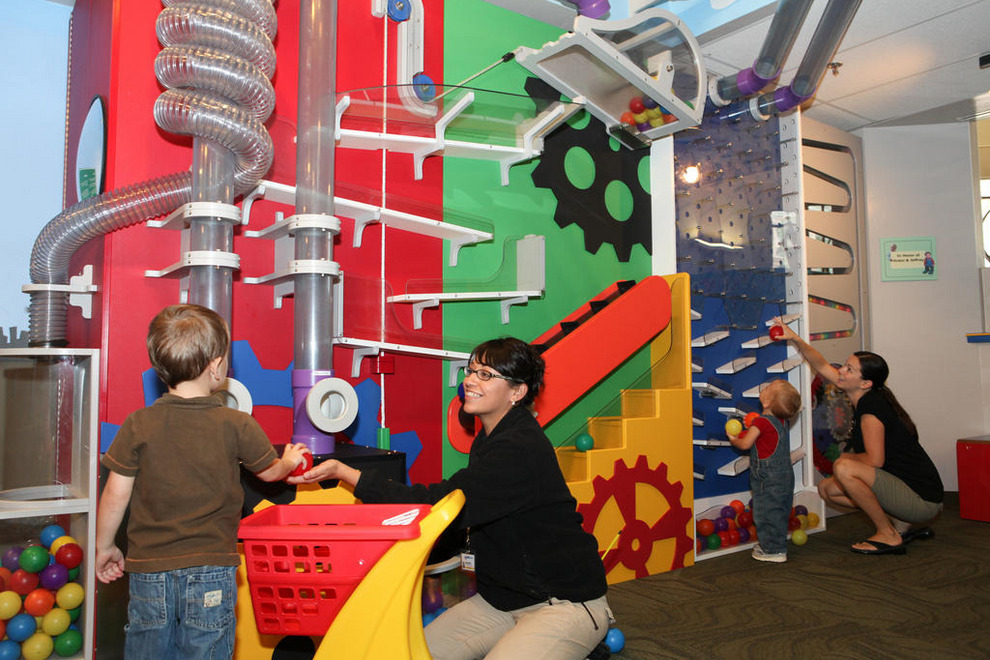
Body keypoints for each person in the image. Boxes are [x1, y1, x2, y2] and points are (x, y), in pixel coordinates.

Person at [290, 337, 611, 660]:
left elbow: (440, 503)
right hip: (501, 601)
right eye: (471, 371)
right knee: (409, 654)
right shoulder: (488, 438)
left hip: (563, 603)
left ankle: (580, 644)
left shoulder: (519, 446)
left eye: (486, 375)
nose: (470, 380)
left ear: (517, 391)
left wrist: (349, 474)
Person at [95, 304, 311, 659]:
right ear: (216, 367)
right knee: (205, 649)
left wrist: (105, 547)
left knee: (147, 650)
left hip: (150, 570)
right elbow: (271, 472)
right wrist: (288, 460)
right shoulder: (236, 423)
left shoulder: (137, 424)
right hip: (212, 568)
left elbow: (115, 494)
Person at [771, 320, 943, 555]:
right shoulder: (865, 395)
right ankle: (900, 523)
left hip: (923, 501)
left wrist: (843, 462)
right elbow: (821, 365)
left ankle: (887, 534)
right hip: (908, 492)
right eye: (845, 365)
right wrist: (795, 338)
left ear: (865, 383)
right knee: (827, 490)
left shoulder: (871, 410)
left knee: (843, 466)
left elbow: (875, 461)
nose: (841, 370)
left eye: (849, 369)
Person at [727, 379, 801, 563]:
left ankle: (773, 550)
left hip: (767, 477)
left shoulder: (761, 422)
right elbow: (765, 440)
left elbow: (745, 444)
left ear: (766, 403)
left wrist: (733, 438)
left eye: (767, 388)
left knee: (765, 511)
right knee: (779, 510)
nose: (764, 387)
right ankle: (774, 544)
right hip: (784, 474)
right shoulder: (781, 421)